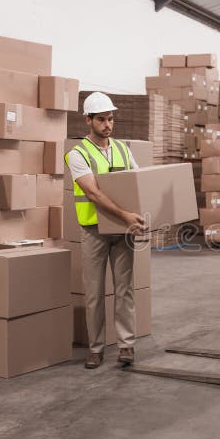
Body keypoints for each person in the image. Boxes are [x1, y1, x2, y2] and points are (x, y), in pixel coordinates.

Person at [65, 92, 147, 369]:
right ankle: (96, 348)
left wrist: (140, 218)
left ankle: (126, 346)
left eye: (110, 119)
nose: (108, 124)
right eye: (101, 119)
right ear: (88, 120)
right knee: (94, 292)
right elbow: (93, 193)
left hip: (122, 232)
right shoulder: (77, 154)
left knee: (125, 290)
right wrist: (126, 216)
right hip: (94, 231)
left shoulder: (123, 150)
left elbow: (138, 182)